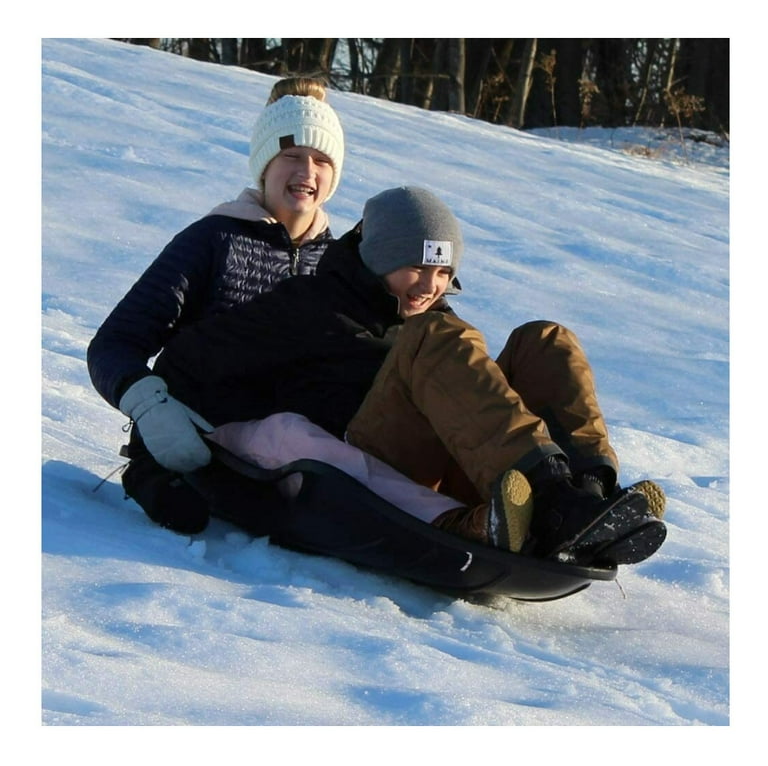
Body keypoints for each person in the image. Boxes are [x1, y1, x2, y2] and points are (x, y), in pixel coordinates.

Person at [127, 186, 665, 566]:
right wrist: (154, 465)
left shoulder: (431, 319)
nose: (428, 284)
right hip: (364, 465)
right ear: (376, 257)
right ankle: (554, 503)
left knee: (544, 338)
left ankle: (589, 495)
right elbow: (183, 366)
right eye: (415, 266)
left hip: (450, 464)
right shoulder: (310, 307)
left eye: (442, 272)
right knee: (433, 337)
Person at [87, 76, 345, 532]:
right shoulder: (213, 239)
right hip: (192, 437)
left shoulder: (341, 264)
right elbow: (115, 343)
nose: (307, 171)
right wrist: (151, 407)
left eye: (321, 159)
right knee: (191, 511)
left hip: (291, 450)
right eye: (292, 156)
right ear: (265, 164)